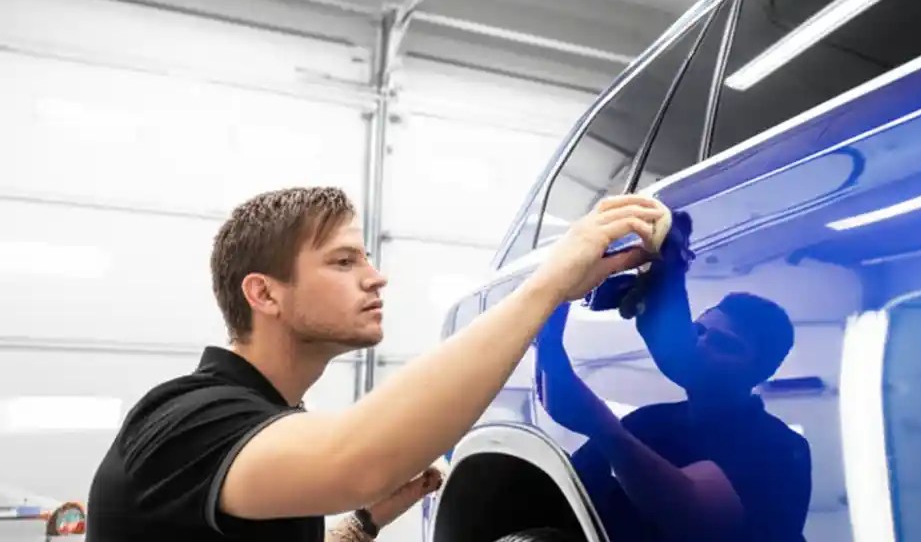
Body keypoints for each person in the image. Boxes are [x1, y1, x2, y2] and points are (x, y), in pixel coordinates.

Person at [86, 186, 664, 542]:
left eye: (367, 257)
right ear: (264, 295)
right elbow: (353, 460)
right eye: (342, 261)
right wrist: (551, 283)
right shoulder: (185, 418)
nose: (376, 275)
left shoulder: (265, 420)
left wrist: (364, 523)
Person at [536, 212, 812, 542]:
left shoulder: (778, 448)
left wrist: (603, 428)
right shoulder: (649, 423)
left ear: (760, 371)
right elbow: (563, 497)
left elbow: (699, 522)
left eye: (724, 343)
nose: (701, 343)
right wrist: (552, 309)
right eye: (698, 330)